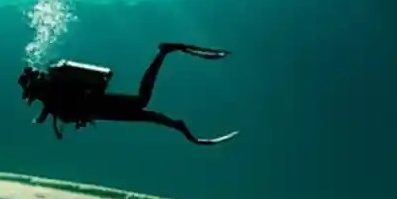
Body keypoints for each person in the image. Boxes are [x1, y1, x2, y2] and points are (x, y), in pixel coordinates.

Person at [18, 42, 239, 145]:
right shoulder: (49, 95)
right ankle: (181, 128)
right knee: (145, 109)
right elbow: (49, 114)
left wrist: (43, 119)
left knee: (142, 102)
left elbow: (51, 112)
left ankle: (163, 53)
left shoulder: (50, 94)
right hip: (99, 109)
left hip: (100, 106)